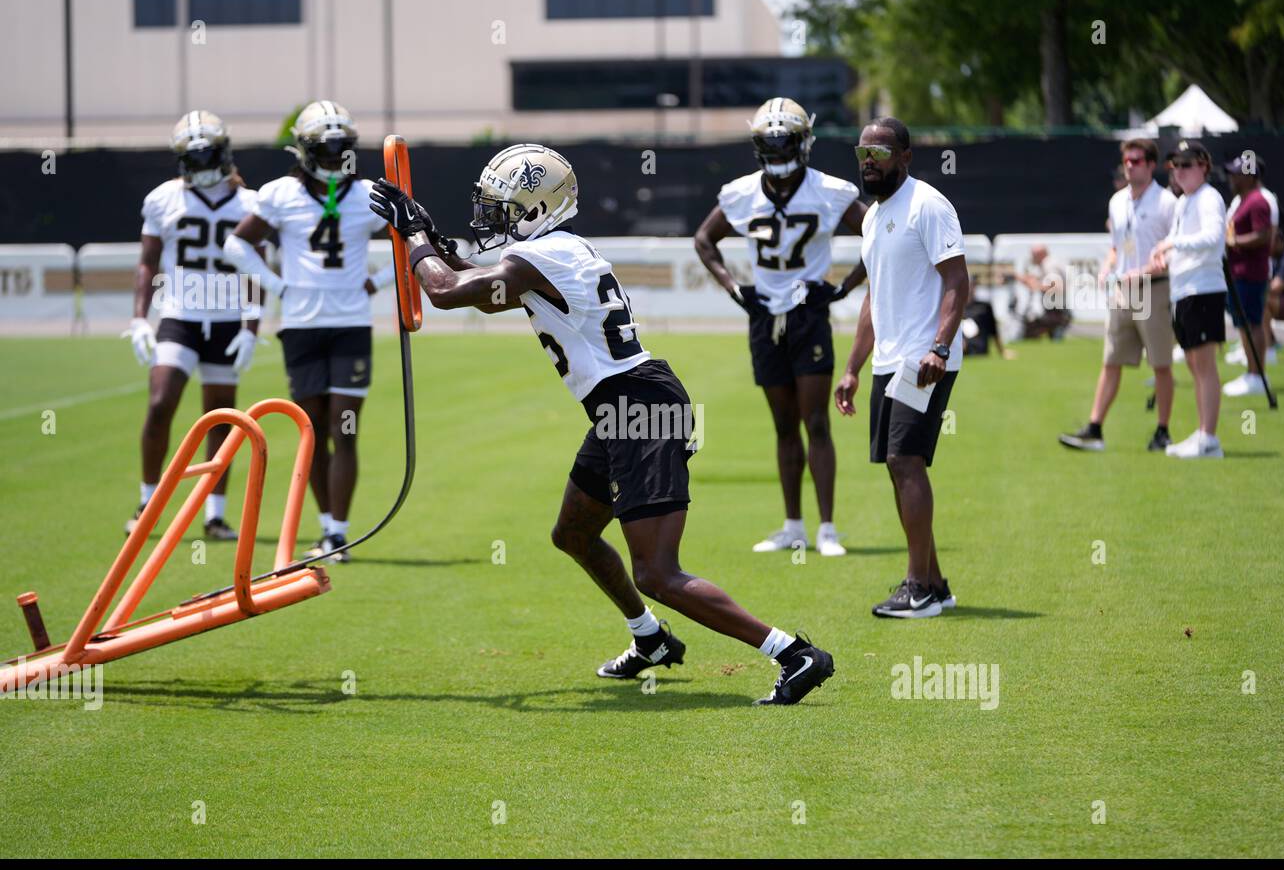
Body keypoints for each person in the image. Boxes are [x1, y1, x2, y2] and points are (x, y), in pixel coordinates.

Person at [368, 143, 835, 705]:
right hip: (622, 407)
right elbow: (481, 286)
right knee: (573, 534)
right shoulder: (553, 252)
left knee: (658, 573)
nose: (491, 219)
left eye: (502, 208)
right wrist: (433, 243)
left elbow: (444, 292)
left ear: (537, 209)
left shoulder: (545, 256)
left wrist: (414, 235)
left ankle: (793, 653)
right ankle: (650, 639)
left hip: (639, 409)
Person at [693, 98, 867, 557]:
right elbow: (704, 240)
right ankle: (794, 526)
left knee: (816, 422)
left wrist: (844, 287)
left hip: (809, 315)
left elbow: (881, 235)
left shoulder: (830, 190)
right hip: (764, 315)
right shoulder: (741, 192)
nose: (775, 150)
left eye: (782, 141)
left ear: (803, 141)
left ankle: (827, 528)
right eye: (767, 142)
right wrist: (735, 289)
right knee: (784, 426)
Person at [224, 100, 394, 562]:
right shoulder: (281, 194)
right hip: (301, 327)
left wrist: (377, 281)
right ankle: (326, 528)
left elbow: (412, 242)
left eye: (343, 148)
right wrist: (277, 285)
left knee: (346, 427)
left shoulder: (369, 195)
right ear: (304, 149)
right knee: (314, 431)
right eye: (328, 148)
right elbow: (237, 243)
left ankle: (338, 532)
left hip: (350, 326)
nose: (337, 157)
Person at [833, 117, 969, 619]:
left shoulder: (928, 205)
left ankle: (918, 588)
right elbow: (874, 296)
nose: (870, 161)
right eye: (863, 152)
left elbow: (957, 281)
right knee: (895, 466)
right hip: (888, 362)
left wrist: (938, 347)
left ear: (906, 157)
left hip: (922, 358)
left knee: (904, 462)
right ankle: (934, 583)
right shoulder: (872, 216)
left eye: (881, 152)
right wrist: (851, 367)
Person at [124, 110, 260, 539]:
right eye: (193, 158)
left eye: (207, 156)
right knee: (161, 401)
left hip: (226, 320)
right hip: (179, 316)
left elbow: (256, 269)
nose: (200, 165)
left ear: (223, 153)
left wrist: (251, 326)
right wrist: (139, 319)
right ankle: (148, 502)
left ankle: (214, 514)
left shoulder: (250, 203)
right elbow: (147, 264)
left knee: (220, 419)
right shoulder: (164, 198)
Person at [1059, 138, 1176, 452]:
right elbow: (1116, 246)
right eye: (1127, 160)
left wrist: (1146, 270)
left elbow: (1173, 250)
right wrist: (1107, 267)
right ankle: (1095, 428)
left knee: (1161, 364)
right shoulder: (1117, 201)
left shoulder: (1166, 203)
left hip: (1154, 290)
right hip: (1123, 293)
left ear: (1151, 165)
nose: (1130, 165)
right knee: (1111, 361)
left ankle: (1163, 430)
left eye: (1137, 160)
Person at [1150, 140, 1227, 459]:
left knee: (1204, 365)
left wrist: (1172, 245)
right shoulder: (1185, 201)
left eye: (1186, 164)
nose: (1179, 171)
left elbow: (1214, 238)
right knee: (1195, 364)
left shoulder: (1209, 198)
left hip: (1203, 288)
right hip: (1185, 290)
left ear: (1203, 167)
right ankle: (1202, 433)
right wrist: (1163, 250)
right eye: (1175, 165)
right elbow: (1178, 240)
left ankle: (1209, 438)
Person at [1221, 155, 1274, 397]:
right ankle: (1251, 372)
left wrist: (1232, 241)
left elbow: (1263, 236)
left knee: (1252, 324)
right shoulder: (1243, 201)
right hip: (1239, 273)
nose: (1232, 177)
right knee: (1244, 325)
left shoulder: (1257, 202)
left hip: (1251, 274)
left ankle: (1256, 375)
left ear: (1251, 176)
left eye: (1237, 173)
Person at [1013, 243, 1070, 339]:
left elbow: (1057, 287)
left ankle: (1057, 327)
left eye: (1033, 255)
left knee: (1028, 331)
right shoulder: (1047, 264)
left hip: (1056, 311)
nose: (1031, 257)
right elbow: (1037, 279)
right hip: (1054, 309)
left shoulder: (1049, 265)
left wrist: (1037, 286)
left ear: (1040, 255)